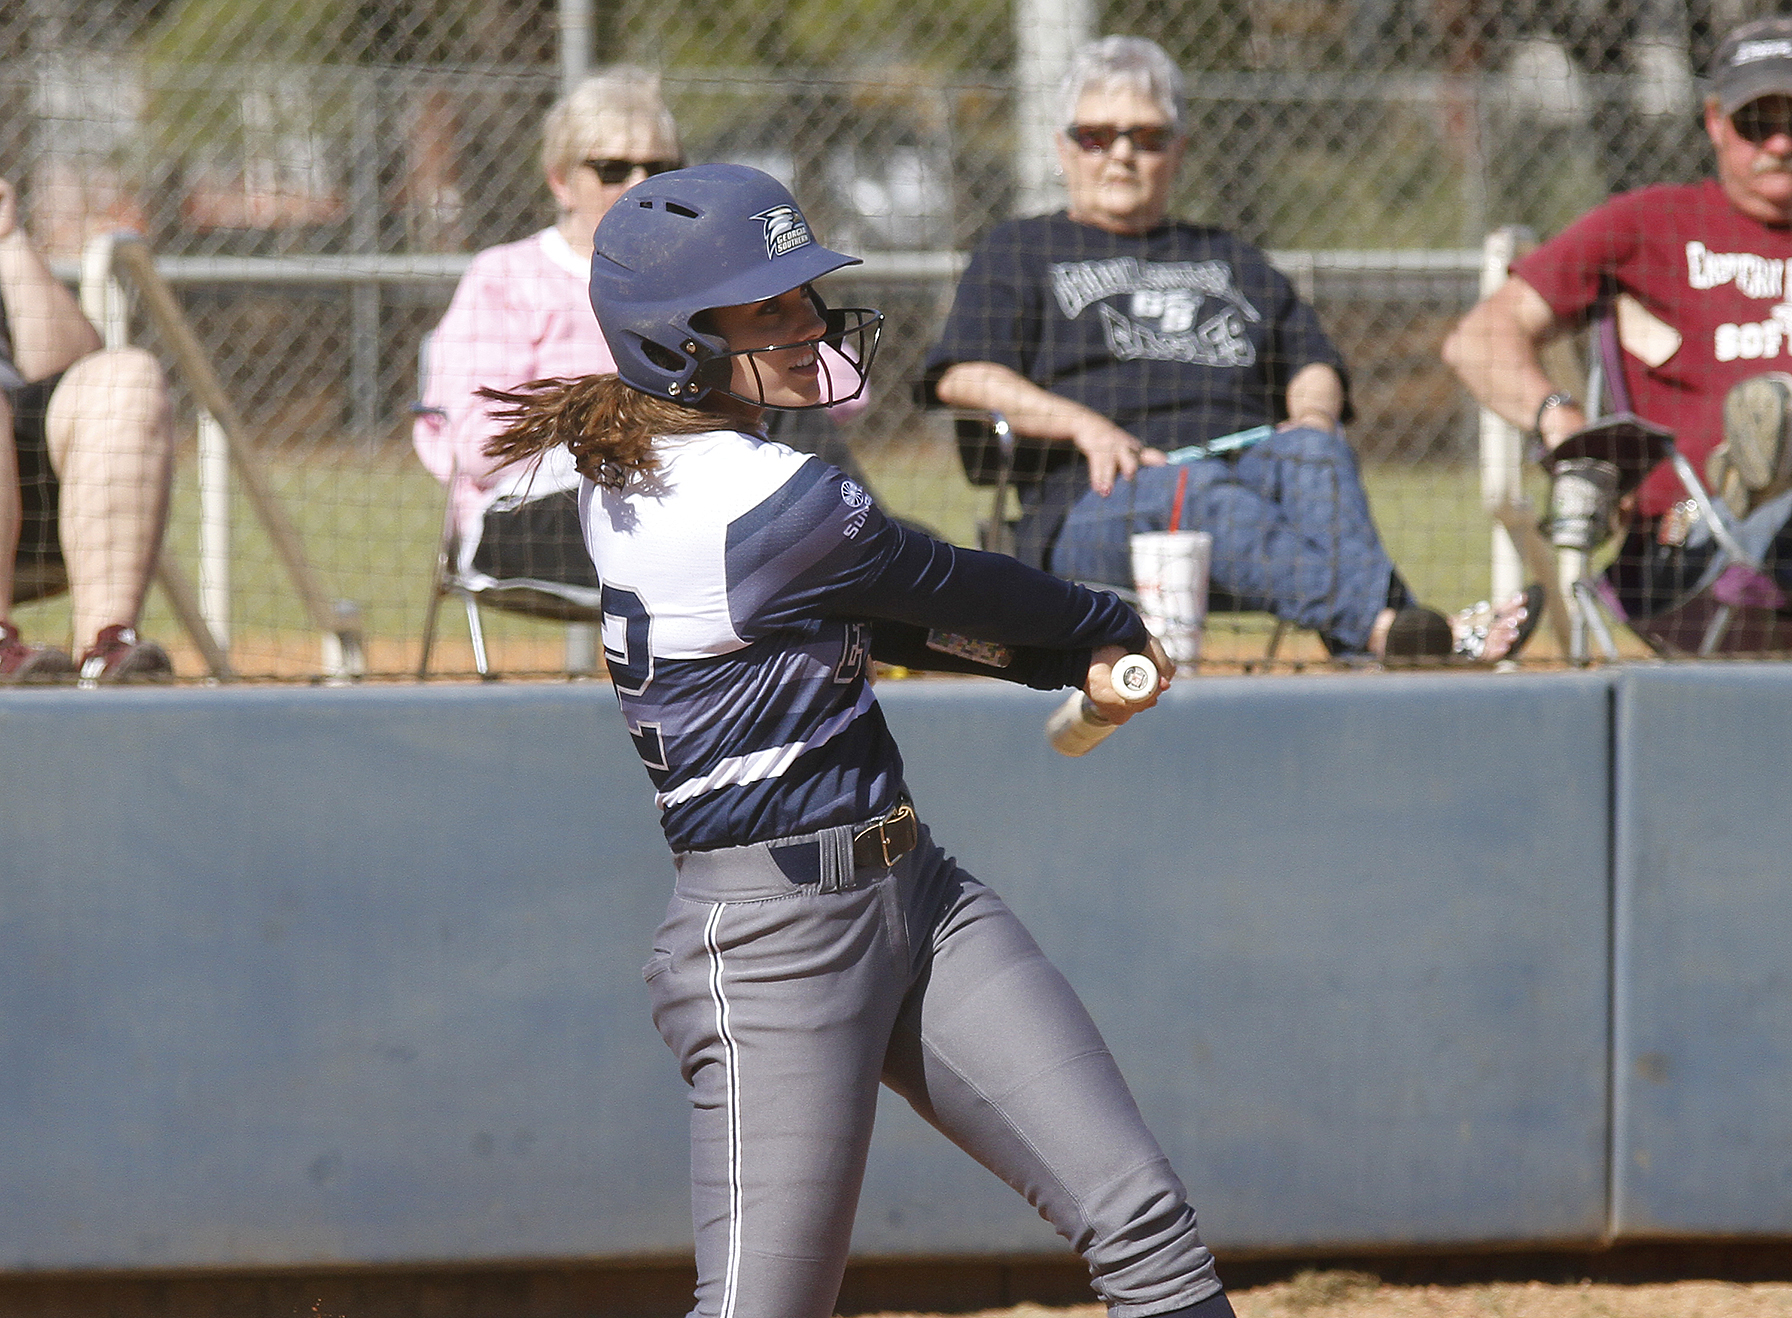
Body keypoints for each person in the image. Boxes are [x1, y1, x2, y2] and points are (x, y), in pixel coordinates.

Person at [481, 162, 1236, 1318]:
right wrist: (1102, 627)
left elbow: (879, 615)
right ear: (675, 343)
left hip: (917, 893)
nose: (809, 324)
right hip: (770, 940)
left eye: (803, 296)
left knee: (1143, 1223)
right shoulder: (773, 499)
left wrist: (1058, 664)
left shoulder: (644, 459)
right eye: (767, 307)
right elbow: (944, 583)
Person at [925, 35, 1539, 664]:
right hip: (1095, 502)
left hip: (1246, 471)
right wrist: (1085, 426)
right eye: (1096, 136)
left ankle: (1383, 644)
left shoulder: (1231, 256)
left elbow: (1314, 364)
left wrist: (1312, 419)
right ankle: (1398, 632)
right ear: (1063, 147)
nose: (1122, 154)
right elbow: (965, 376)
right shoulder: (1021, 250)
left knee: (1313, 454)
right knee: (1196, 491)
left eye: (1148, 136)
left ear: (1180, 148)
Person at [416, 67, 868, 602]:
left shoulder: (711, 275)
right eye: (611, 168)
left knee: (804, 447)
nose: (637, 184)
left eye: (658, 167)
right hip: (552, 500)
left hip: (707, 481)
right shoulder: (505, 277)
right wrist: (635, 419)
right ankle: (897, 584)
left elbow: (838, 386)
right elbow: (478, 441)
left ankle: (896, 577)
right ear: (561, 180)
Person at [1444, 15, 1792, 628]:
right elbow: (1479, 340)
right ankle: (1744, 475)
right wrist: (1564, 419)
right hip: (1685, 538)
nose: (1780, 144)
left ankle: (1769, 462)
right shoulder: (1650, 223)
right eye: (1757, 123)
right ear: (1715, 122)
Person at [0, 176, 175, 683]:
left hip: (33, 497)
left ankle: (107, 652)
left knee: (127, 378)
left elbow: (68, 364)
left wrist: (8, 241)